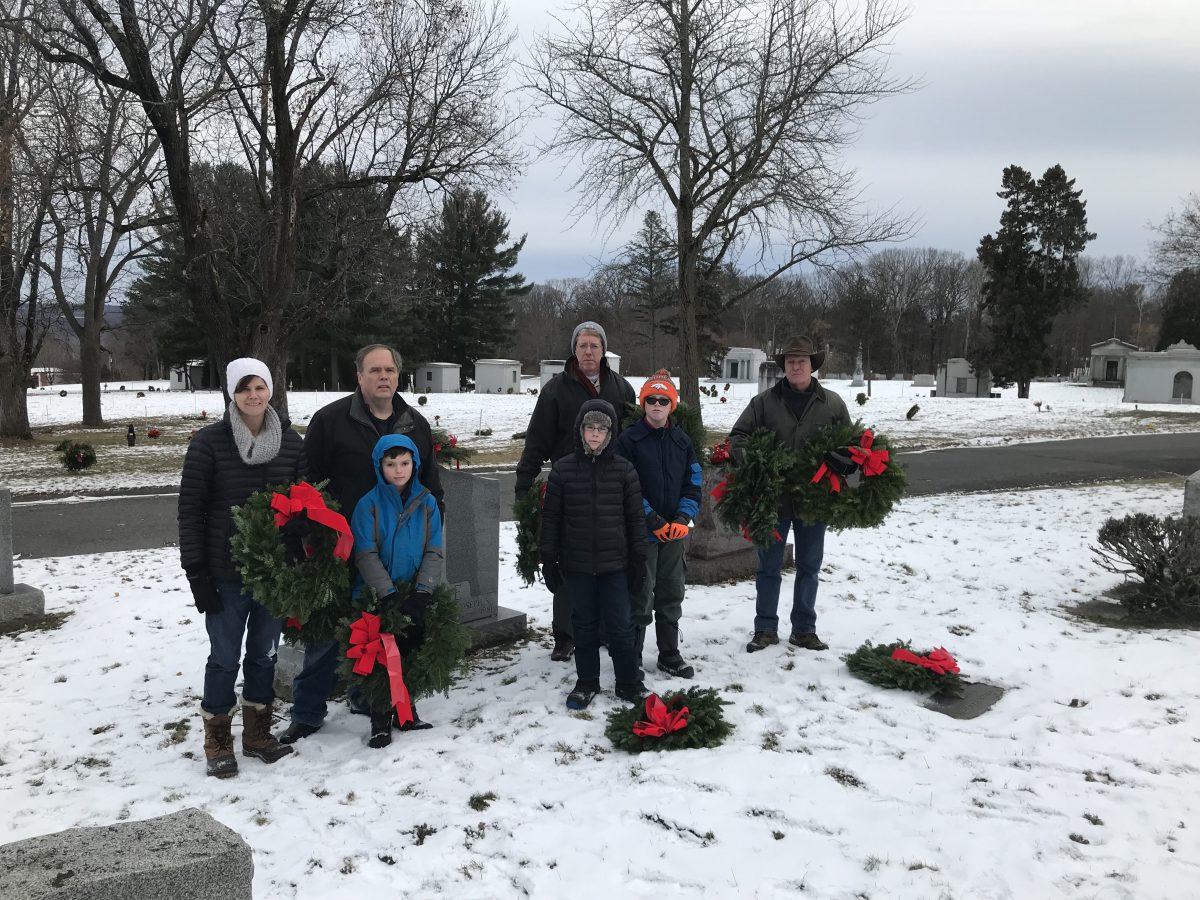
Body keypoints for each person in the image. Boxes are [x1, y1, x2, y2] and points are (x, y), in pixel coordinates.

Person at [278, 344, 444, 744]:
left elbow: (432, 487)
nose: (383, 376)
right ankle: (307, 711)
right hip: (340, 549)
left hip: (396, 553)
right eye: (374, 370)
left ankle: (383, 700)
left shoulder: (414, 425)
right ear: (359, 376)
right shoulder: (332, 421)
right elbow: (307, 480)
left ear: (398, 375)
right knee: (329, 636)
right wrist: (310, 533)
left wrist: (428, 534)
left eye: (389, 369)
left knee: (392, 631)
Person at [179, 357, 305, 778]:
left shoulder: (291, 443)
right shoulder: (210, 443)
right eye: (244, 388)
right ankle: (217, 738)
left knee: (265, 655)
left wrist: (300, 549)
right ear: (231, 394)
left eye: (260, 387)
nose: (253, 395)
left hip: (274, 573)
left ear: (271, 390)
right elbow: (191, 511)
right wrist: (197, 573)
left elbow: (305, 503)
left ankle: (257, 734)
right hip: (224, 573)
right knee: (224, 657)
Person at [514, 321, 635, 661]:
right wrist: (524, 485)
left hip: (611, 488)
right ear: (574, 350)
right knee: (570, 562)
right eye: (582, 345)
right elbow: (537, 439)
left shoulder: (622, 389)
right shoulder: (556, 389)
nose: (588, 351)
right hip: (570, 487)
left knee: (609, 559)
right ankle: (565, 634)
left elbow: (631, 438)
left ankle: (605, 630)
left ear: (603, 350)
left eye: (594, 345)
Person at [729, 335, 851, 654]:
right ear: (784, 366)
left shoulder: (833, 404)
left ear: (813, 366)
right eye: (791, 362)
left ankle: (804, 629)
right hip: (773, 502)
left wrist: (845, 458)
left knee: (810, 566)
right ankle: (766, 628)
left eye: (802, 361)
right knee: (768, 567)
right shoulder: (764, 402)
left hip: (814, 500)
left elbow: (853, 444)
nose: (796, 366)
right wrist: (756, 465)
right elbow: (738, 437)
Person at [539, 399, 647, 708]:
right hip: (578, 564)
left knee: (620, 626)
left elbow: (635, 519)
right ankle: (587, 681)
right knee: (583, 626)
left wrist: (638, 560)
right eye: (590, 427)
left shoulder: (625, 470)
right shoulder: (563, 470)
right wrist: (549, 558)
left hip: (616, 564)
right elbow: (552, 519)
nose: (595, 434)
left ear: (611, 432)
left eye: (602, 428)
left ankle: (628, 682)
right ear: (581, 430)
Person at [350, 434, 444, 748]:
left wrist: (422, 591)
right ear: (380, 466)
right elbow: (365, 552)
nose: (399, 470)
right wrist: (387, 593)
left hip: (413, 590)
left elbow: (433, 549)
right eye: (391, 464)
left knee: (409, 649)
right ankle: (379, 719)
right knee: (380, 657)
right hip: (378, 595)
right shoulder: (369, 505)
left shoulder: (427, 502)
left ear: (414, 464)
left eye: (405, 463)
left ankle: (406, 711)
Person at [615, 369, 702, 678]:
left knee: (671, 591)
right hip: (643, 533)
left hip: (673, 535)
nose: (657, 404)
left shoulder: (682, 442)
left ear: (672, 405)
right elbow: (626, 485)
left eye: (663, 400)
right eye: (651, 399)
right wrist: (650, 518)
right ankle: (632, 656)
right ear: (643, 403)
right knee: (640, 592)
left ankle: (669, 653)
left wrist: (683, 517)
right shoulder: (628, 441)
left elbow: (693, 483)